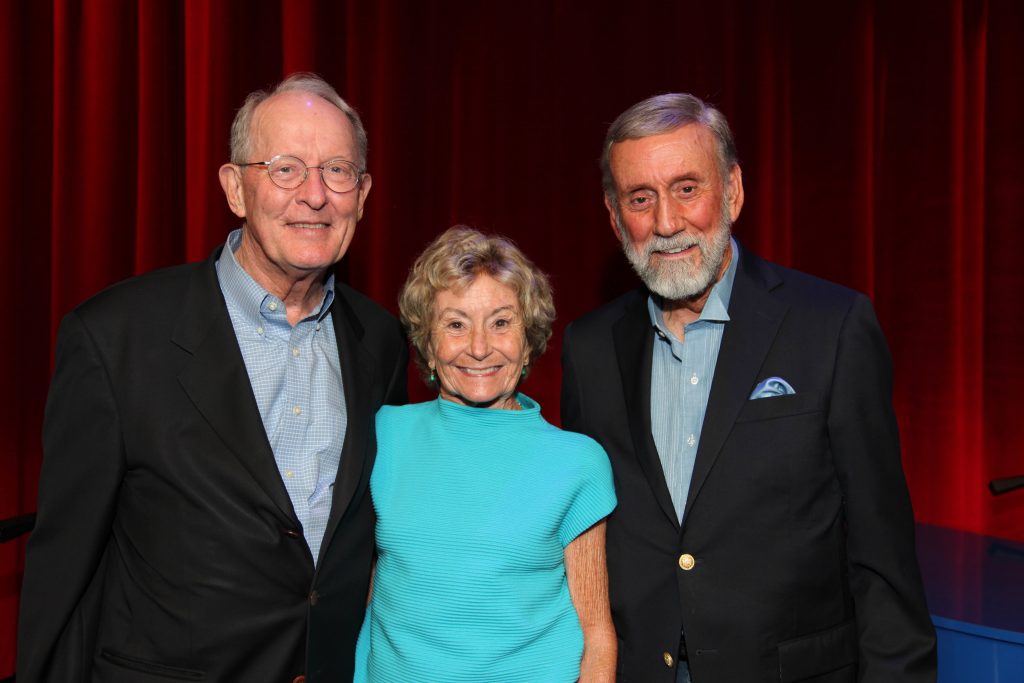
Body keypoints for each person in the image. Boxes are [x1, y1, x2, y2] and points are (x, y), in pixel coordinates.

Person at [17, 73, 407, 682]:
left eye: (337, 171)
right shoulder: (115, 338)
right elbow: (64, 566)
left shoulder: (380, 341)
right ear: (234, 188)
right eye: (285, 169)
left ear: (362, 195)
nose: (314, 195)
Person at [560, 94, 937, 682]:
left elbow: (883, 560)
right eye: (641, 198)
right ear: (614, 216)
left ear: (733, 191)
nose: (666, 223)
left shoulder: (832, 327)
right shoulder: (589, 348)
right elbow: (585, 543)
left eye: (687, 188)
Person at [354, 226, 618, 682]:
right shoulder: (384, 434)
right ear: (428, 344)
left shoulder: (577, 464)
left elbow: (596, 634)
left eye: (500, 323)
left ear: (528, 340)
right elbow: (376, 590)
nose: (479, 348)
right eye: (456, 324)